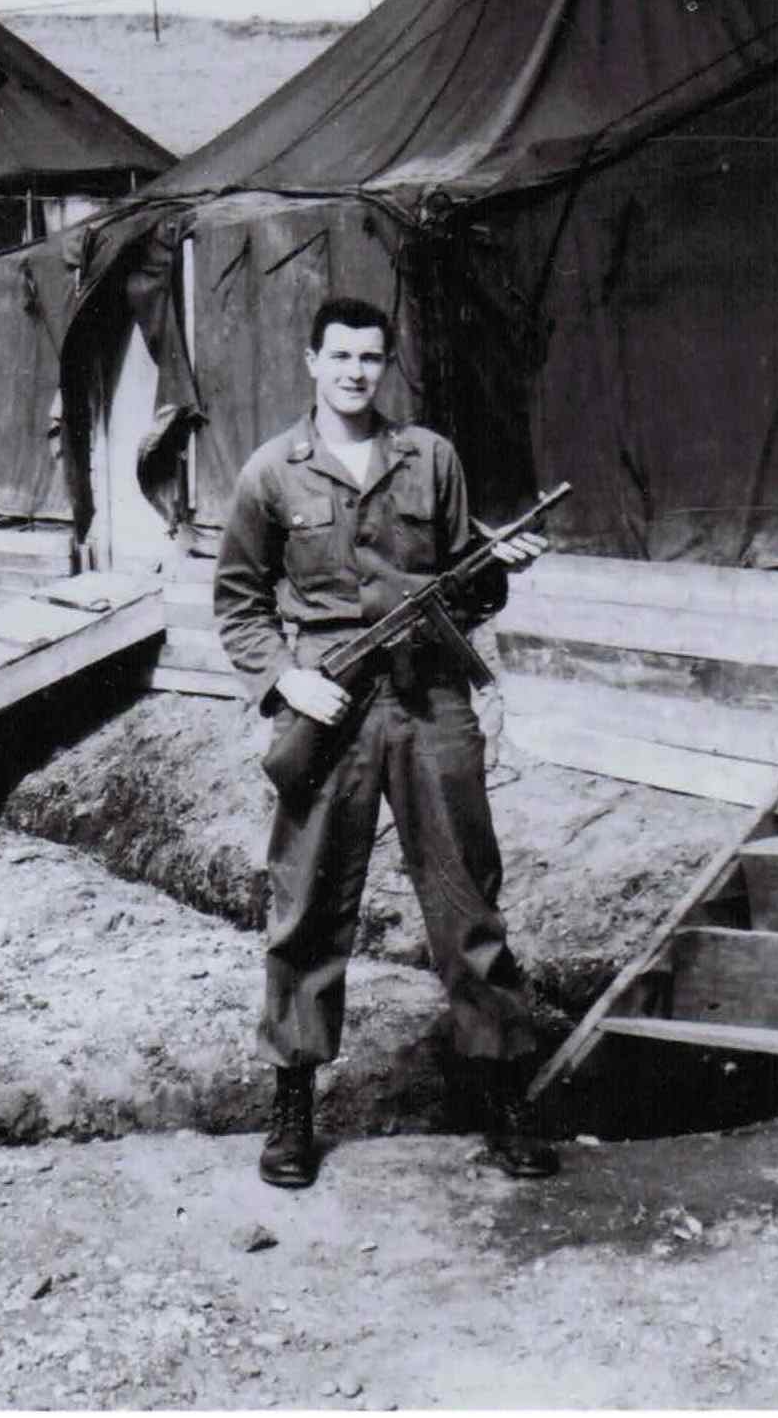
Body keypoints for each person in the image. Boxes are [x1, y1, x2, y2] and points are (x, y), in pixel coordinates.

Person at [213, 296, 559, 1188]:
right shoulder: (270, 474)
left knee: (465, 901)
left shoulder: (430, 459)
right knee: (307, 907)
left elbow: (462, 595)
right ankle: (293, 1106)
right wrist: (286, 681)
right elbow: (239, 605)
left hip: (430, 701)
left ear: (384, 365)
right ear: (310, 360)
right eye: (340, 356)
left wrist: (496, 573)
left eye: (371, 358)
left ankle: (502, 1098)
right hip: (329, 708)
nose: (356, 372)